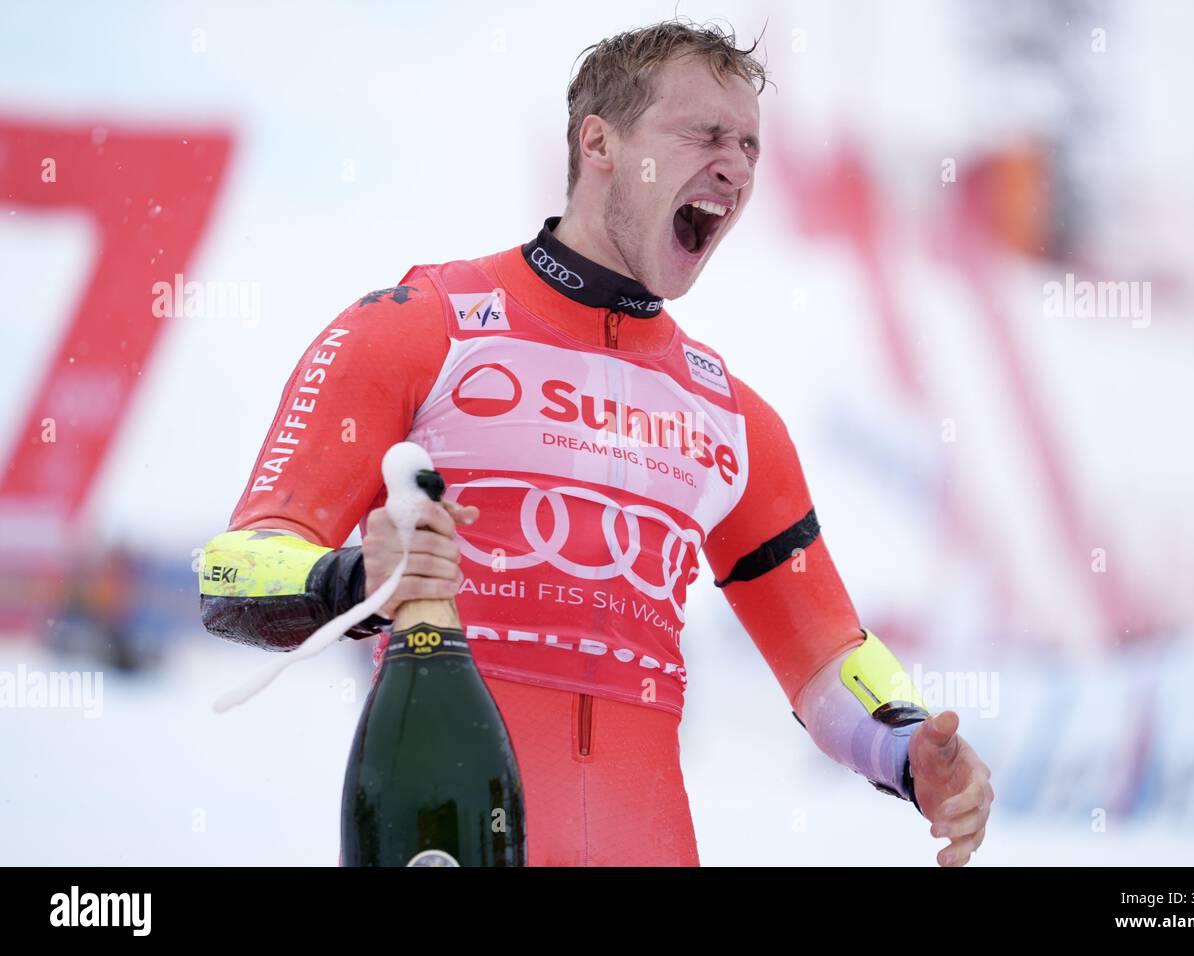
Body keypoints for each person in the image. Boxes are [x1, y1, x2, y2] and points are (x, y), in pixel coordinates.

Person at [199, 19, 993, 866]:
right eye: (705, 133)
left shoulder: (732, 415)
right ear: (600, 142)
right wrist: (358, 580)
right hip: (453, 835)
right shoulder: (420, 327)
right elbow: (230, 572)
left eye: (753, 146)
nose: (737, 165)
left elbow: (829, 656)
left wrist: (909, 749)